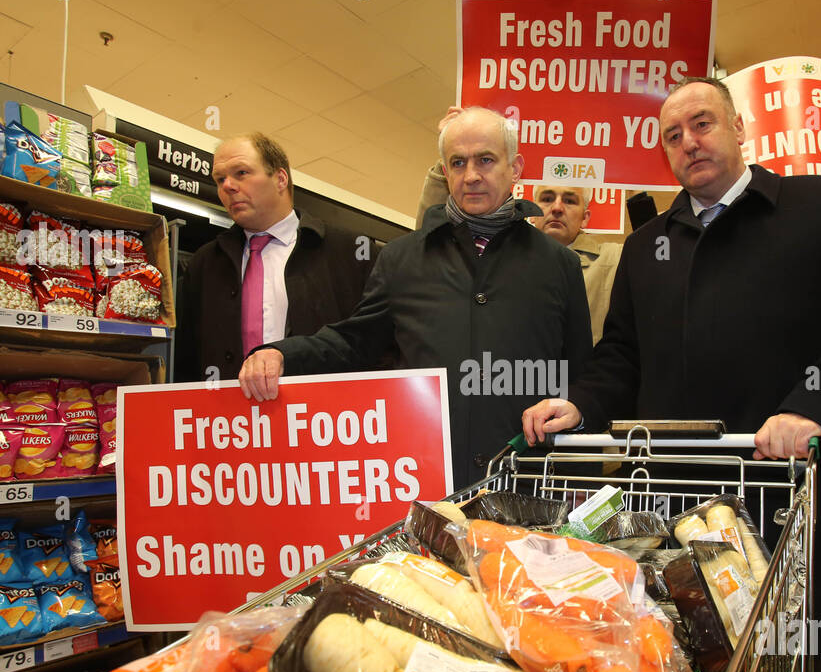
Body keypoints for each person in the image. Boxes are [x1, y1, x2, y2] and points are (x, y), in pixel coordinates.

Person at [522, 77, 821, 672]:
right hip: (672, 499)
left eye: (703, 123)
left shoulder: (820, 207)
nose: (690, 142)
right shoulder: (646, 247)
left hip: (782, 493)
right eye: (673, 135)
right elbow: (622, 357)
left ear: (739, 127)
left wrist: (813, 407)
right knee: (684, 667)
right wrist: (581, 402)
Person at [238, 107, 592, 489]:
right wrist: (281, 353)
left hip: (525, 480)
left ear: (515, 167)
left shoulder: (558, 265)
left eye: (486, 160)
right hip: (426, 479)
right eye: (458, 162)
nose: (471, 175)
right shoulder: (402, 259)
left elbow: (580, 372)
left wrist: (577, 406)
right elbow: (354, 341)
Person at [174, 133, 375, 382]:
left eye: (241, 173)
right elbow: (186, 357)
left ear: (280, 179)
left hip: (324, 414)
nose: (227, 186)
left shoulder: (350, 252)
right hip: (230, 418)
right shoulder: (204, 263)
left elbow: (370, 341)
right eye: (220, 179)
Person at [417, 108, 620, 344]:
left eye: (569, 200)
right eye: (546, 198)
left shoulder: (612, 259)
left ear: (586, 218)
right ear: (532, 212)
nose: (556, 207)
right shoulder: (496, 248)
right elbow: (429, 240)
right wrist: (452, 148)